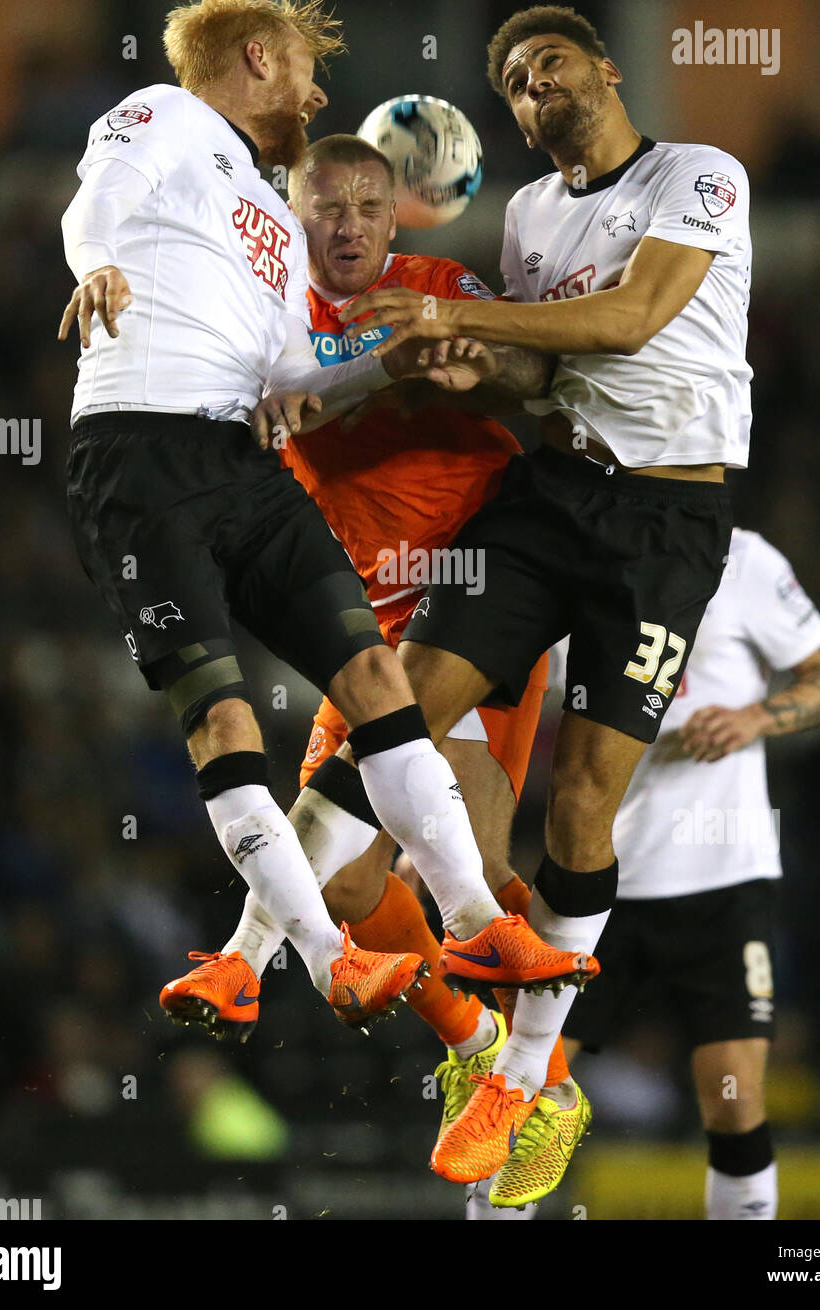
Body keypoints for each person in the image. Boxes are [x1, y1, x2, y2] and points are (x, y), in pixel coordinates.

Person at [57, 0, 586, 1045]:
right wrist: (95, 263)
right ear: (256, 56)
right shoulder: (164, 117)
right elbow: (92, 202)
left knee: (377, 681)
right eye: (305, 64)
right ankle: (312, 960)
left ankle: (477, 924)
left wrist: (389, 361)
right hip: (140, 453)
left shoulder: (262, 210)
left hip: (245, 464)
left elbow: (295, 370)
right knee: (225, 717)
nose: (318, 87)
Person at [319, 1, 753, 1182]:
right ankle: (439, 971)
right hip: (553, 498)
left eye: (546, 63)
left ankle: (523, 1082)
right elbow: (543, 367)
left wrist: (454, 312)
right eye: (509, 79)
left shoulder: (696, 174)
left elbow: (630, 316)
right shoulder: (525, 213)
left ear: (605, 70)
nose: (529, 87)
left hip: (669, 519)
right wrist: (471, 368)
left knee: (580, 813)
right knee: (392, 705)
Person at [185, 132, 576, 1135]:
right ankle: (473, 1043)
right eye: (327, 208)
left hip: (475, 601)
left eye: (367, 207)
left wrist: (472, 364)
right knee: (357, 880)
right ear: (292, 213)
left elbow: (539, 378)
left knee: (478, 881)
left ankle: (544, 1081)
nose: (348, 225)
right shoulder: (264, 315)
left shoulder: (441, 282)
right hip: (360, 623)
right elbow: (250, 420)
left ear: (396, 215)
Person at [469, 528, 820, 1215]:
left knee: (733, 1098)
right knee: (524, 1083)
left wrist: (756, 715)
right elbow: (498, 706)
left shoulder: (745, 562)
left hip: (722, 881)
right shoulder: (571, 564)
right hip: (588, 887)